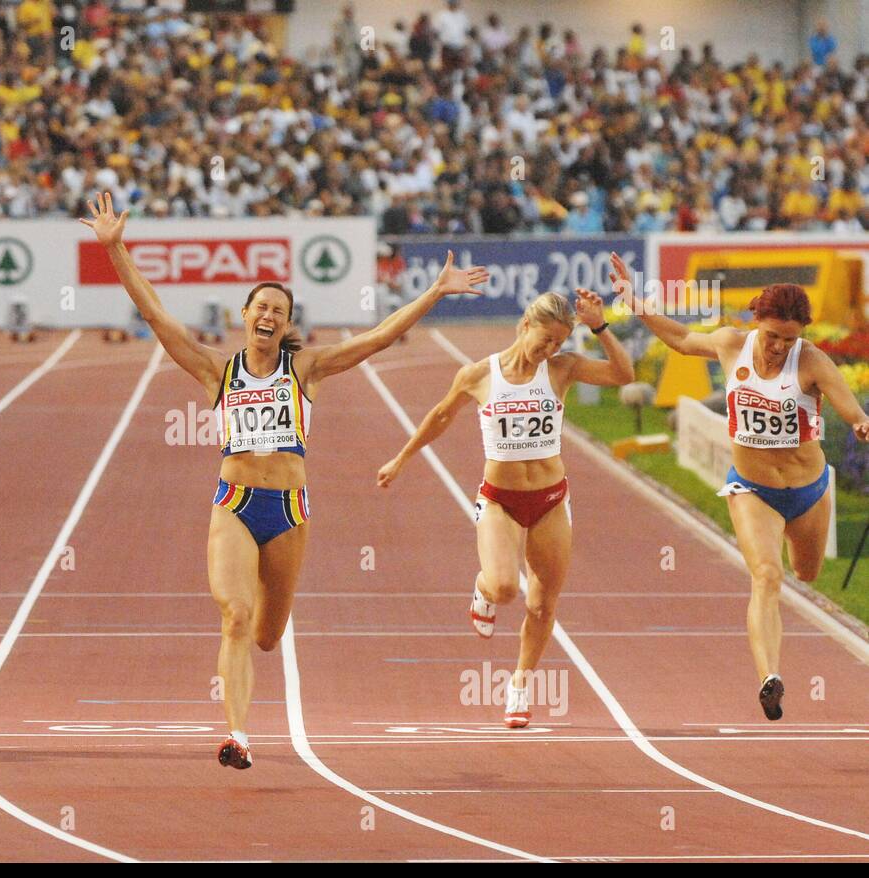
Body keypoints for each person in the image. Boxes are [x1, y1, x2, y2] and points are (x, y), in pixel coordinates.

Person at [80, 192, 487, 768]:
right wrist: (115, 248)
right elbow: (155, 315)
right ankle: (238, 736)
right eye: (260, 307)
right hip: (235, 503)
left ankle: (250, 684)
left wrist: (433, 293)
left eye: (278, 310)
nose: (268, 316)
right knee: (236, 617)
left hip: (289, 510)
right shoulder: (215, 371)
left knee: (269, 633)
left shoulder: (307, 370)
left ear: (286, 323)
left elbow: (376, 340)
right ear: (244, 317)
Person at [611, 253, 869, 719]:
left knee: (806, 573)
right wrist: (634, 301)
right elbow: (680, 338)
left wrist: (861, 423)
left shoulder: (811, 361)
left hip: (808, 489)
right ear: (756, 323)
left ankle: (774, 652)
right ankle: (770, 677)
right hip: (752, 489)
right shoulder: (732, 344)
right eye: (772, 336)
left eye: (788, 340)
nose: (777, 348)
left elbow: (850, 408)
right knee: (767, 576)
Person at [377, 287, 634, 727]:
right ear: (525, 326)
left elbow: (623, 375)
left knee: (542, 604)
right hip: (500, 500)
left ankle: (519, 685)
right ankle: (483, 589)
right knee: (505, 588)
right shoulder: (479, 375)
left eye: (558, 343)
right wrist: (402, 457)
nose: (550, 349)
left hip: (551, 500)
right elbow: (441, 415)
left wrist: (600, 327)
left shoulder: (562, 370)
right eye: (545, 340)